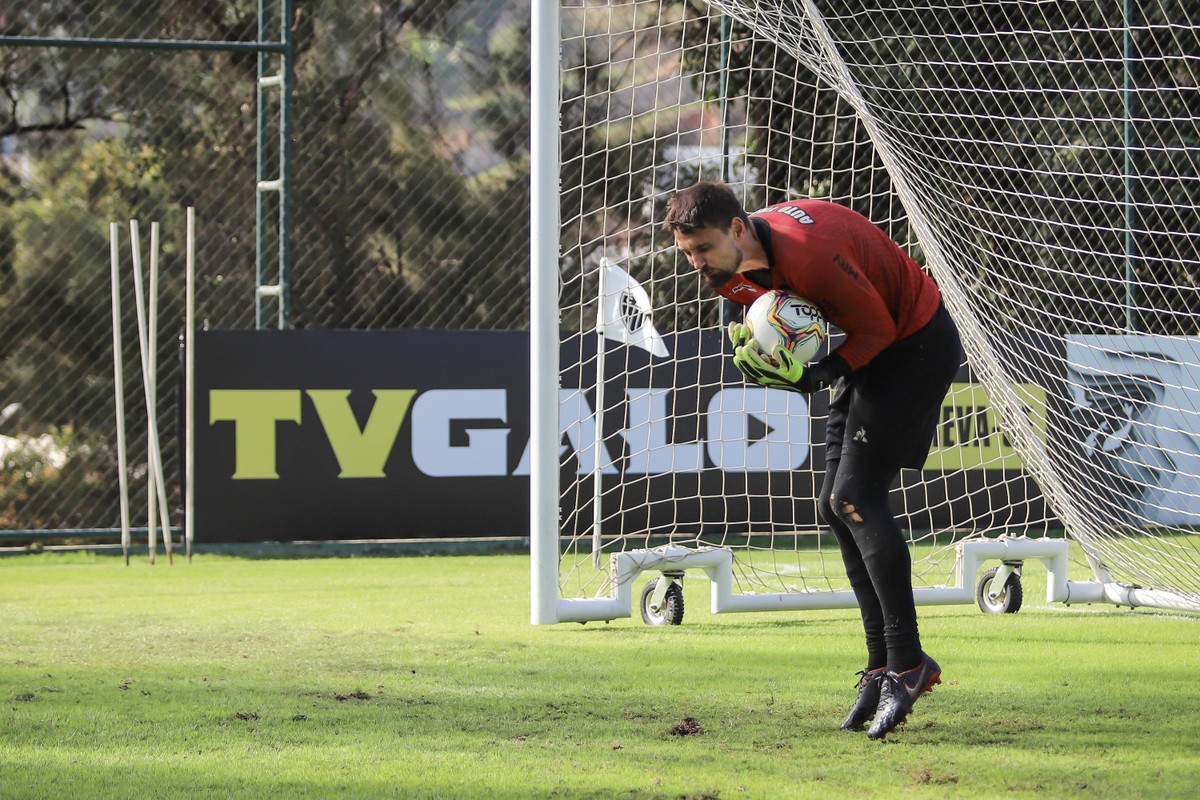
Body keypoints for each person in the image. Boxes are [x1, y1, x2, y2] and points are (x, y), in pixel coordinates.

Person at [663, 181, 962, 740]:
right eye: (686, 252)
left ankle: (908, 663)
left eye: (702, 248)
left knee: (855, 497)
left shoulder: (807, 254)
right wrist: (764, 352)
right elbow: (793, 320)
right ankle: (881, 666)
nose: (696, 263)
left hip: (914, 344)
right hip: (872, 351)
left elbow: (878, 327)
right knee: (834, 505)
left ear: (736, 228)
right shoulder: (730, 274)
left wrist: (816, 375)